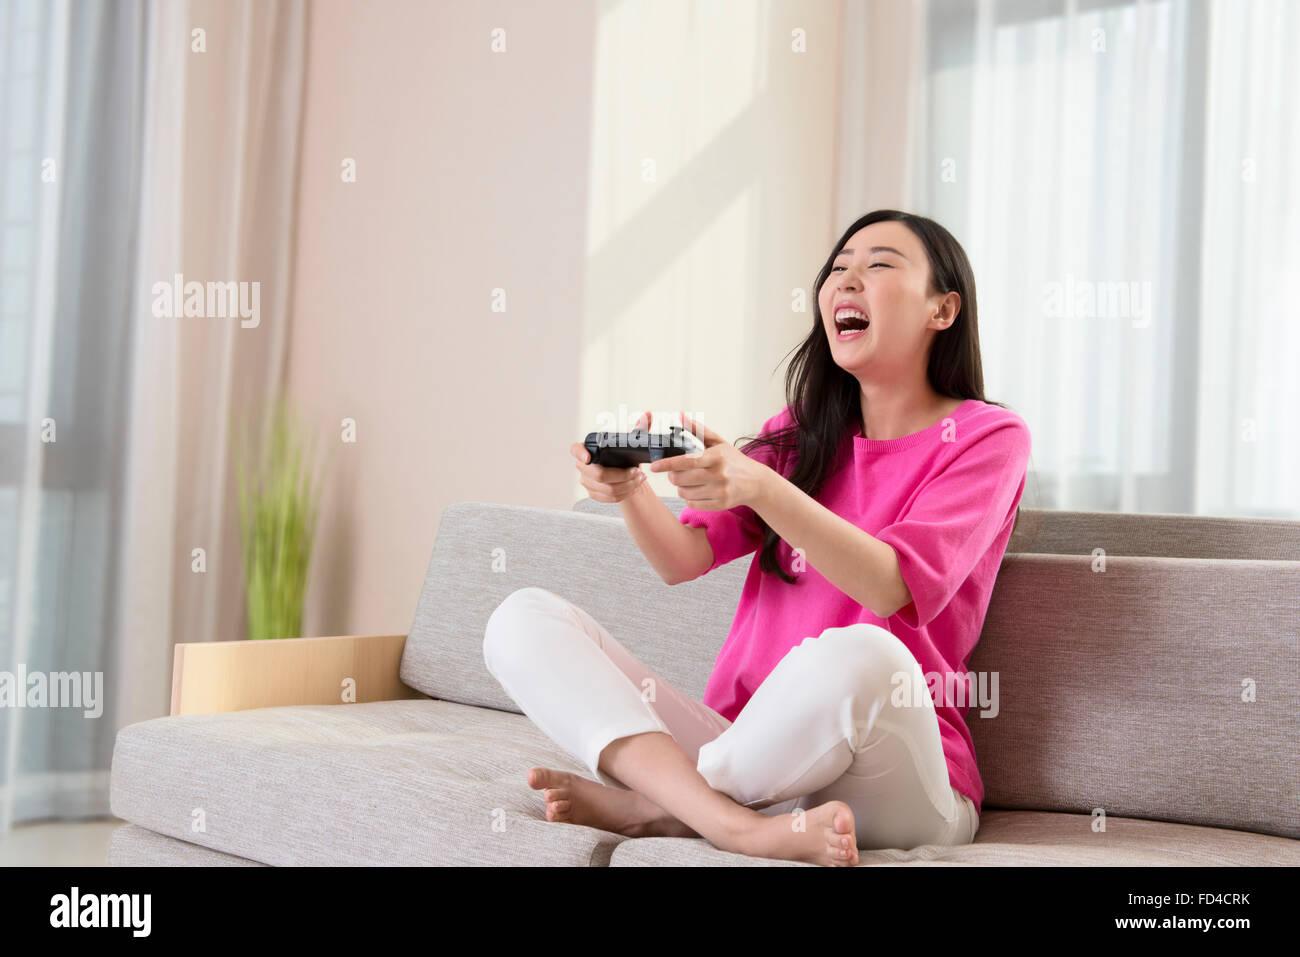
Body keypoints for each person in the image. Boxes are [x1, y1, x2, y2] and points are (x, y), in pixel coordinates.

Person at [483, 209, 1032, 866]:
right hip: (752, 755)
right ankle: (731, 824)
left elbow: (891, 585)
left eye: (879, 264)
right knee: (521, 619)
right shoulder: (801, 434)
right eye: (837, 268)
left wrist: (761, 487)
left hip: (896, 778)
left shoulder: (988, 438)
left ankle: (663, 806)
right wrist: (630, 490)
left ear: (942, 309)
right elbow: (682, 559)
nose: (845, 280)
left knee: (869, 656)